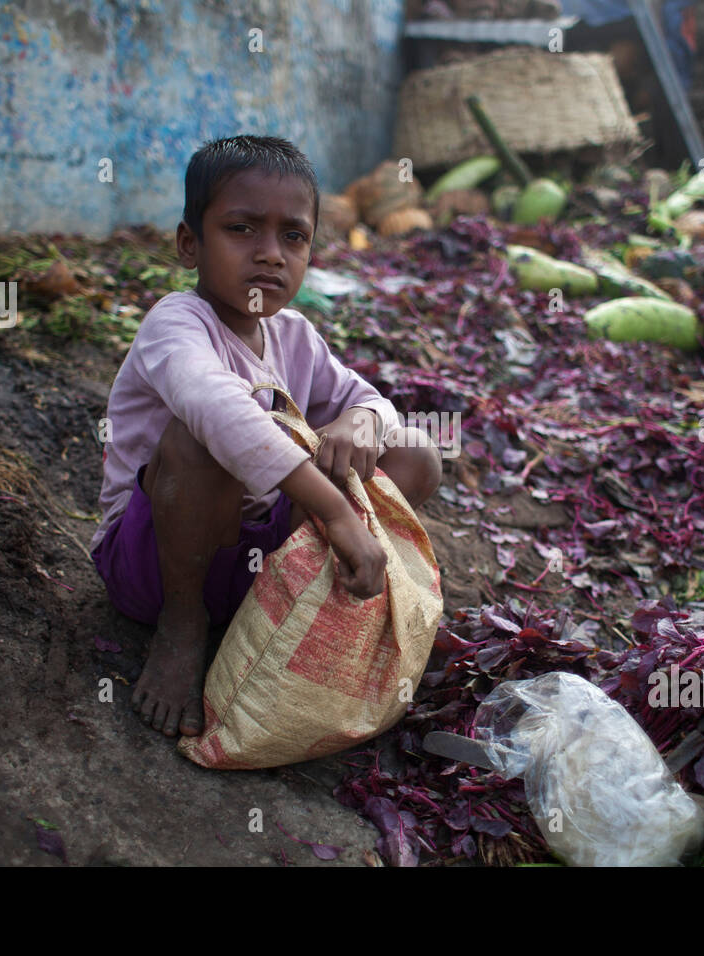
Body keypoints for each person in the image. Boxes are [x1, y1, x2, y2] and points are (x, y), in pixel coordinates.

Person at [89, 135, 443, 739]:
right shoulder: (176, 323)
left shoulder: (295, 336)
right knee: (202, 440)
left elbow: (371, 400)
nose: (270, 255)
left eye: (293, 237)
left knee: (418, 453)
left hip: (257, 560)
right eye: (242, 229)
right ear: (188, 244)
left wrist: (361, 419)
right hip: (153, 561)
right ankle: (184, 627)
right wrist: (336, 513)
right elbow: (217, 411)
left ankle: (289, 604)